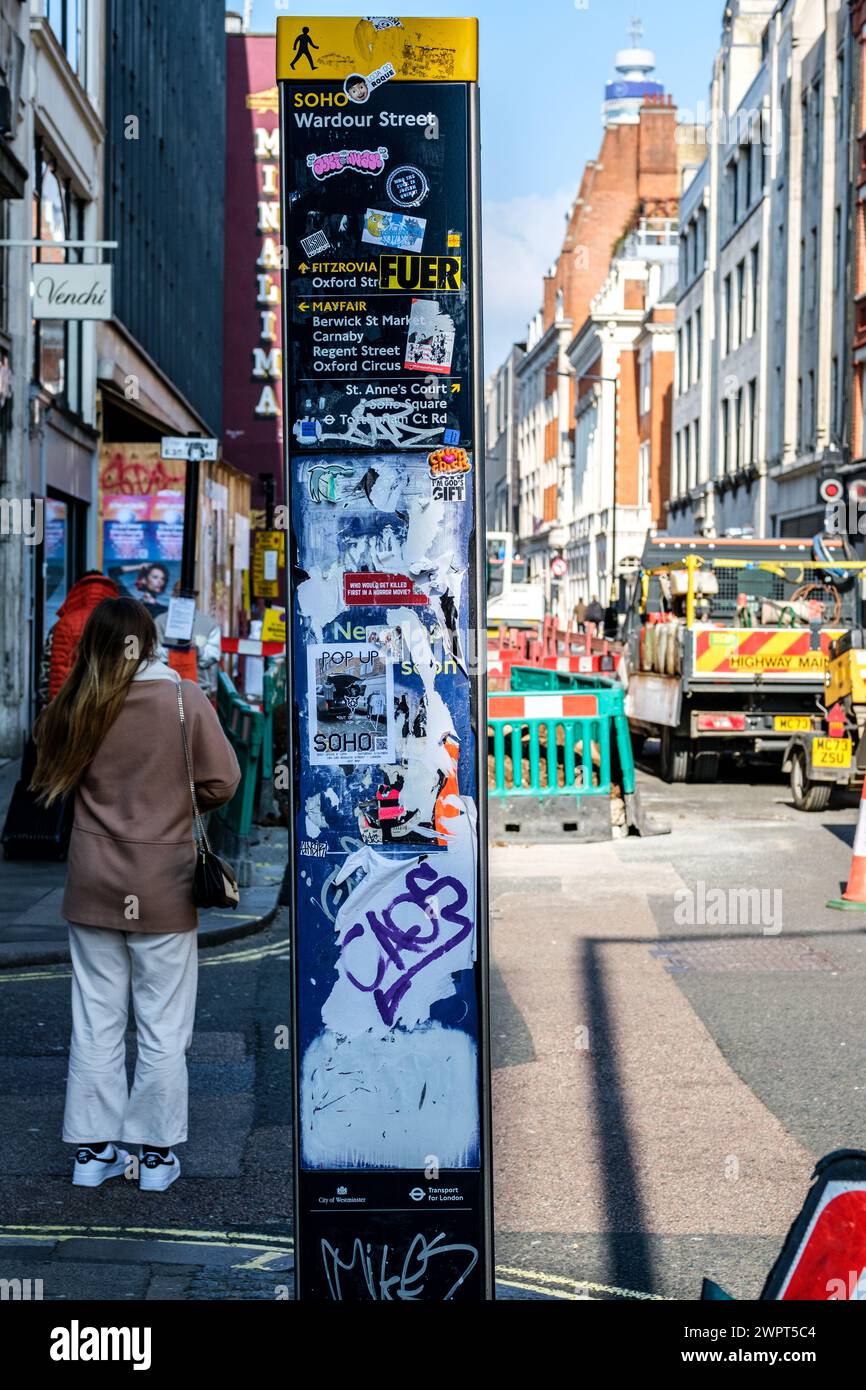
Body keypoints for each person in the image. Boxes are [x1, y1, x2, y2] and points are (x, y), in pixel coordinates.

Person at [30, 597, 240, 1192]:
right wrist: (177, 805)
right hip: (163, 883)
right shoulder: (182, 699)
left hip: (94, 882)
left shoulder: (75, 704)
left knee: (96, 1021)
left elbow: (49, 766)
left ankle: (92, 1155)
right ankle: (151, 1157)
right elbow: (223, 779)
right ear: (146, 641)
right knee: (162, 1024)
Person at [41, 571, 119, 705]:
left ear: (77, 591)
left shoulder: (63, 623)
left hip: (73, 703)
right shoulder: (120, 621)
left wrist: (54, 704)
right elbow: (131, 659)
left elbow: (53, 669)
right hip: (111, 702)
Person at [155, 587, 223, 698]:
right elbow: (154, 653)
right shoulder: (160, 622)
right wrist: (173, 652)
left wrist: (198, 651)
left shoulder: (209, 624)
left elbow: (213, 655)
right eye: (178, 594)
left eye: (189, 595)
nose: (183, 599)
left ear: (195, 597)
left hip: (200, 690)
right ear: (173, 595)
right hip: (166, 688)